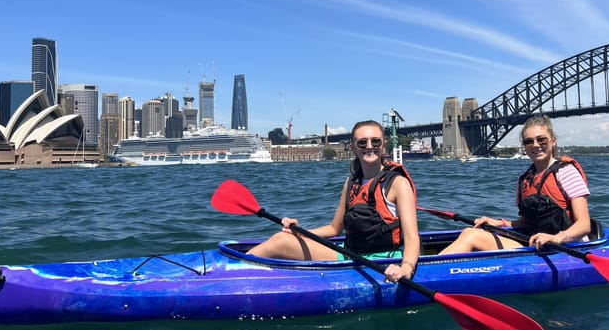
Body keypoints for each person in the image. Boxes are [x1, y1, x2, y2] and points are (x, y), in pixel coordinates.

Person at [247, 120, 420, 283]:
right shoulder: (351, 182)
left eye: (375, 141)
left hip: (382, 259)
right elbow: (334, 229)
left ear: (383, 144)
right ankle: (236, 269)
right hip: (350, 254)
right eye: (362, 143)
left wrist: (406, 268)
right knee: (284, 237)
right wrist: (299, 231)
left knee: (280, 242)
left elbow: (412, 237)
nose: (369, 147)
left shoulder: (398, 183)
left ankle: (232, 271)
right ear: (353, 147)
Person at [439, 115, 591, 254]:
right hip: (535, 243)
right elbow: (528, 223)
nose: (535, 145)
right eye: (529, 141)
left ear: (553, 140)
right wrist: (500, 223)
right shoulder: (525, 179)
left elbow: (584, 225)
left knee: (472, 237)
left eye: (541, 139)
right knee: (468, 232)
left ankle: (423, 276)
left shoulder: (566, 172)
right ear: (524, 146)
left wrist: (558, 238)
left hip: (566, 247)